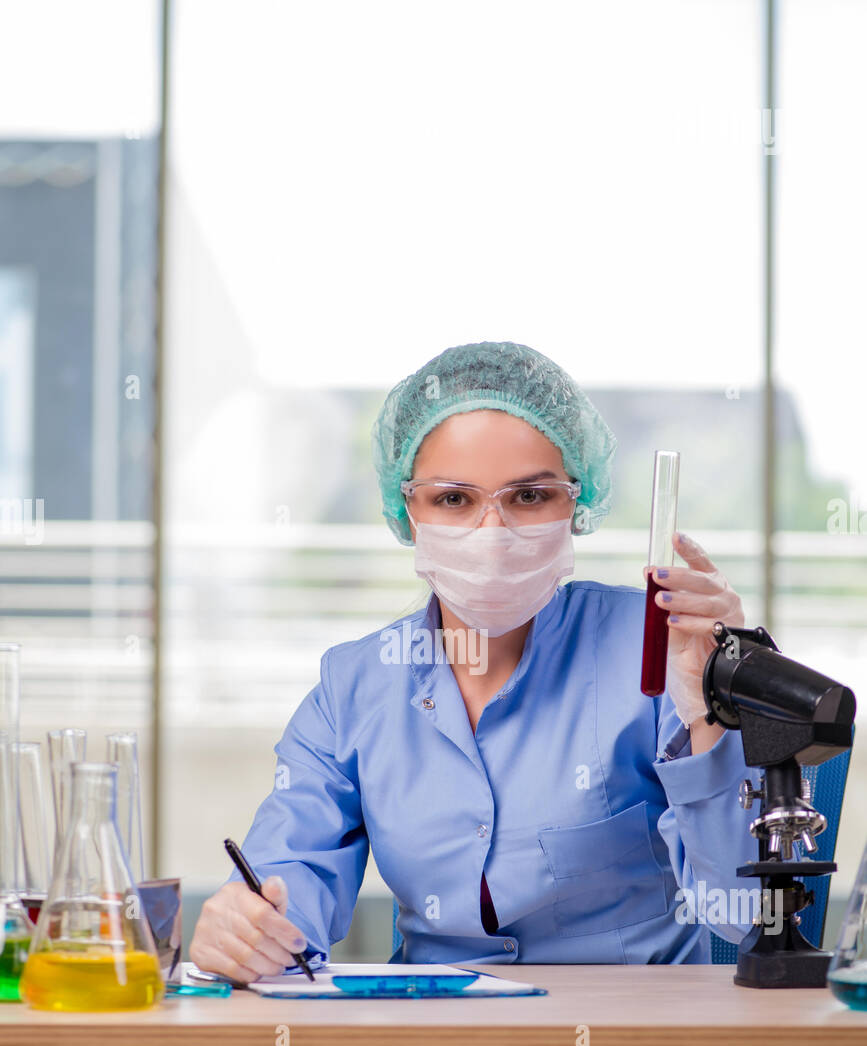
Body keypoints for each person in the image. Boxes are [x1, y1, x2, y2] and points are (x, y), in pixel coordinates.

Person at [190, 340, 757, 981]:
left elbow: (741, 913)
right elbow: (290, 878)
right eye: (454, 499)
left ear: (577, 501)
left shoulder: (658, 652)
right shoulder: (354, 688)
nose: (492, 533)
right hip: (436, 1041)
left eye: (530, 496)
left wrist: (712, 710)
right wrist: (247, 927)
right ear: (407, 508)